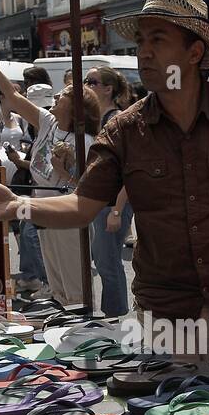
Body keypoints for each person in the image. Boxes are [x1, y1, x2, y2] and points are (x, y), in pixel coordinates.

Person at [0, 0, 209, 397]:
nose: (144, 51)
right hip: (167, 318)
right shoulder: (126, 129)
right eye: (142, 39)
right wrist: (18, 206)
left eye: (159, 40)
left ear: (194, 52)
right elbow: (81, 205)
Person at [0, 58, 101, 306]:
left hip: (67, 216)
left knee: (75, 284)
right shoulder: (48, 122)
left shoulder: (86, 141)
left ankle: (81, 328)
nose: (57, 95)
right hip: (42, 210)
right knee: (56, 281)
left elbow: (90, 188)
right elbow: (14, 99)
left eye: (65, 94)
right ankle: (64, 324)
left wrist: (65, 172)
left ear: (76, 107)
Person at [85, 65, 135, 316]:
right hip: (101, 202)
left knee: (108, 263)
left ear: (108, 88)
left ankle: (116, 317)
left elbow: (129, 169)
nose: (87, 85)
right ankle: (112, 314)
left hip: (113, 203)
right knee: (103, 261)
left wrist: (117, 209)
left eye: (92, 81)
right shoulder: (98, 119)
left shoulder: (116, 120)